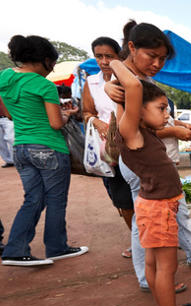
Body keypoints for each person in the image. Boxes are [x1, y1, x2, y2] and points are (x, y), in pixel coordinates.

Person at [107, 20, 191, 292]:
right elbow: (136, 133)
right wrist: (175, 132)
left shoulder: (143, 79)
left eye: (162, 59)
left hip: (156, 163)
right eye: (152, 56)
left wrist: (180, 126)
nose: (157, 63)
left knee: (176, 209)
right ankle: (151, 280)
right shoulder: (127, 84)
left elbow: (153, 121)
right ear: (132, 48)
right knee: (144, 222)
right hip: (142, 165)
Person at [109, 59, 191, 306]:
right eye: (161, 109)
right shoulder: (133, 133)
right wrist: (115, 64)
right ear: (138, 111)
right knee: (167, 266)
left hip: (156, 206)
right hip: (158, 208)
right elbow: (133, 86)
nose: (166, 114)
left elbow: (130, 96)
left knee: (153, 263)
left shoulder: (145, 131)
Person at [0, 35, 88, 266]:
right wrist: (67, 113)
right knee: (56, 200)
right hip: (49, 147)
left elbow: (9, 114)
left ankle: (15, 250)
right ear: (45, 60)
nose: (53, 68)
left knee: (33, 199)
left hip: (21, 148)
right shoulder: (43, 85)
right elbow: (56, 124)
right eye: (53, 63)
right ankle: (57, 247)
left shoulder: (4, 78)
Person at [82, 36, 135, 258]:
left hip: (130, 146)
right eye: (99, 56)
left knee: (139, 195)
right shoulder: (91, 83)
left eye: (109, 56)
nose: (104, 61)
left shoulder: (126, 79)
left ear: (118, 57)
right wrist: (98, 122)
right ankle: (137, 239)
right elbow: (86, 113)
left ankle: (146, 238)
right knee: (121, 198)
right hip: (107, 151)